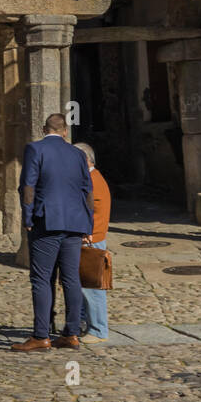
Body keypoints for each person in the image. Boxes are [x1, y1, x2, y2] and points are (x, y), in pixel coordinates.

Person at [10, 113, 93, 352]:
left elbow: (28, 186)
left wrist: (27, 218)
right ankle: (72, 333)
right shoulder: (78, 154)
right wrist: (87, 225)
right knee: (71, 279)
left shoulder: (35, 149)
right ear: (65, 131)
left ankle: (40, 335)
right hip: (75, 223)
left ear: (43, 128)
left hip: (47, 221)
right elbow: (87, 190)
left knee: (42, 278)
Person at [74, 142, 111, 343]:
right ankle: (83, 323)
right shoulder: (91, 178)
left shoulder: (92, 180)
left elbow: (92, 213)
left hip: (91, 239)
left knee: (92, 287)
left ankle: (98, 329)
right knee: (83, 286)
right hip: (90, 238)